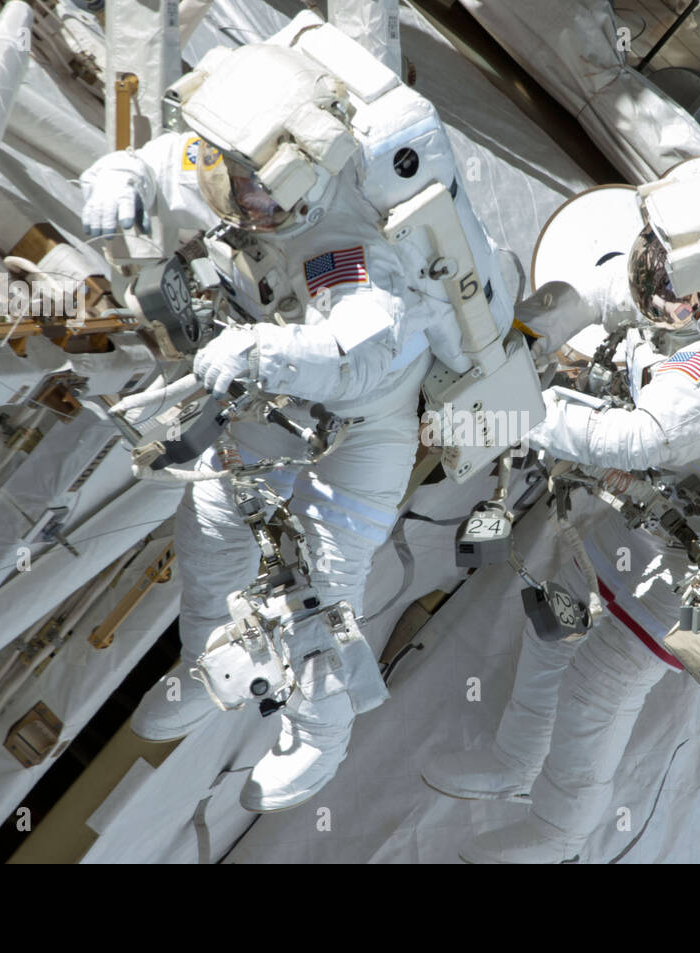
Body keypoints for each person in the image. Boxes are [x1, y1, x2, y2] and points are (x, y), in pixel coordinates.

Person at [79, 24, 514, 812]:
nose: (250, 205)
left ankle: (319, 738)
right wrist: (123, 172)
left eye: (265, 194)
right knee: (211, 536)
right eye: (242, 186)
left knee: (319, 596)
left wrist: (259, 351)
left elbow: (355, 353)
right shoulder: (229, 167)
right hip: (266, 407)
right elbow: (170, 163)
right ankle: (204, 663)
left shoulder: (345, 239)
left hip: (363, 427)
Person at [423, 156, 700, 861]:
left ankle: (557, 833)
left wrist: (514, 407)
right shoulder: (687, 281)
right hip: (669, 512)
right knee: (555, 609)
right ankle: (512, 760)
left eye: (671, 281)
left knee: (599, 684)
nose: (656, 286)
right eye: (652, 257)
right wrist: (522, 342)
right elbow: (597, 294)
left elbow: (632, 437)